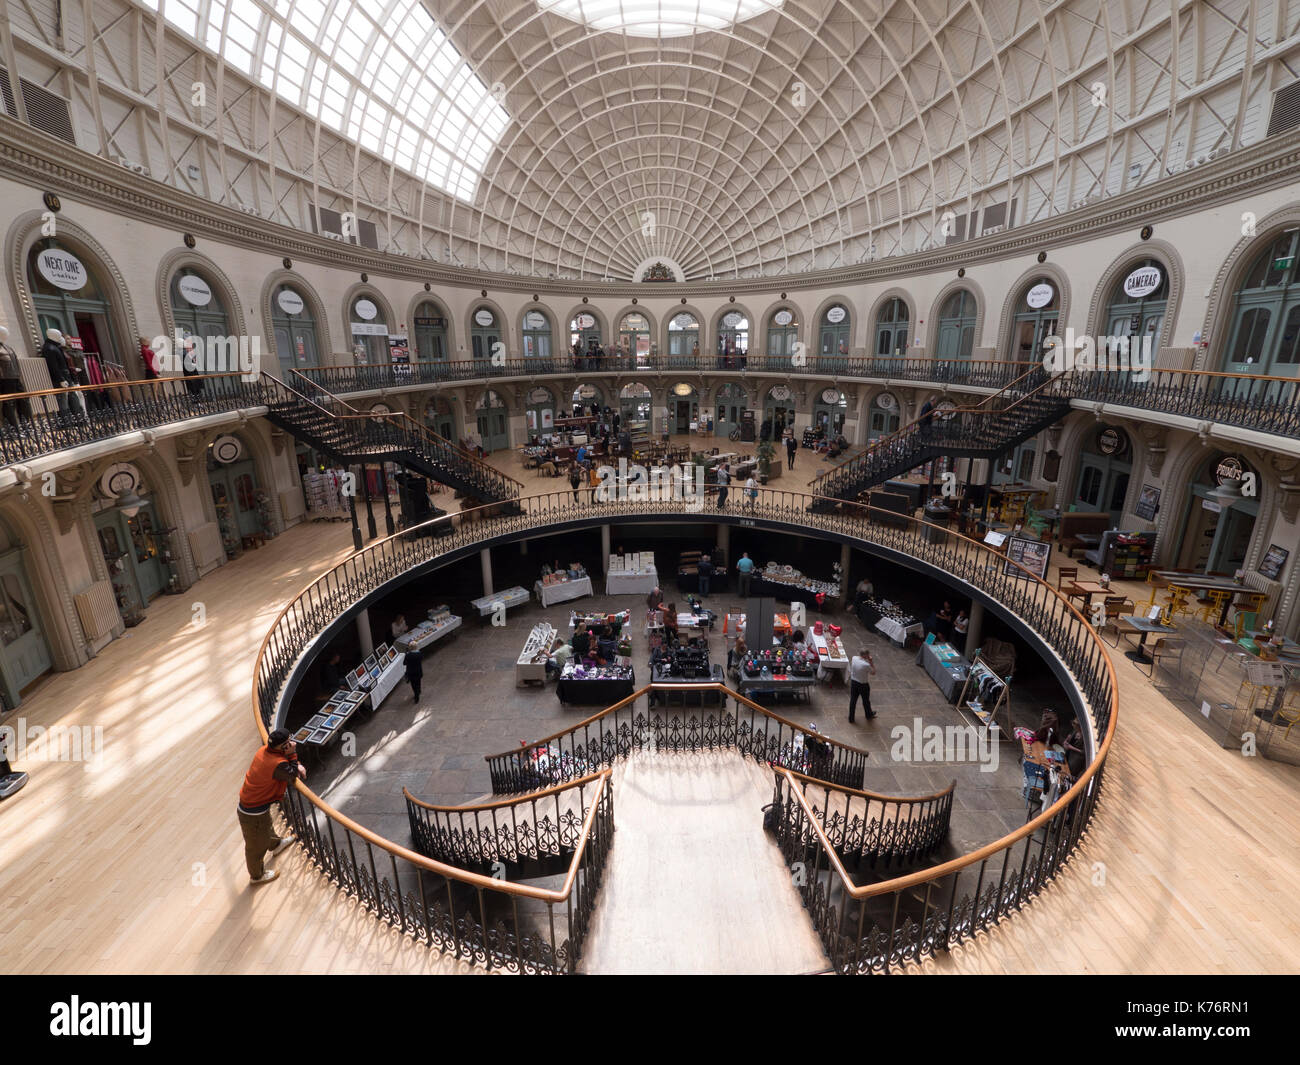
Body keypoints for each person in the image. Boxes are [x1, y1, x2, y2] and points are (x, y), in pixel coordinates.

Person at [237, 728, 303, 885]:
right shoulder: (277, 764)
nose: (292, 743)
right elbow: (291, 773)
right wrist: (293, 755)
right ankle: (257, 876)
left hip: (255, 805)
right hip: (252, 810)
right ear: (282, 747)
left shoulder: (264, 751)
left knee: (266, 826)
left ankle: (276, 844)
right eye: (289, 742)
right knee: (256, 845)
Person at [848, 648, 876, 722]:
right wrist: (871, 661)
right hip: (863, 685)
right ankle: (868, 714)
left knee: (853, 700)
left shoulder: (854, 658)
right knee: (866, 701)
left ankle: (851, 718)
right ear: (865, 655)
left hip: (854, 682)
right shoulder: (865, 665)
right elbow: (873, 672)